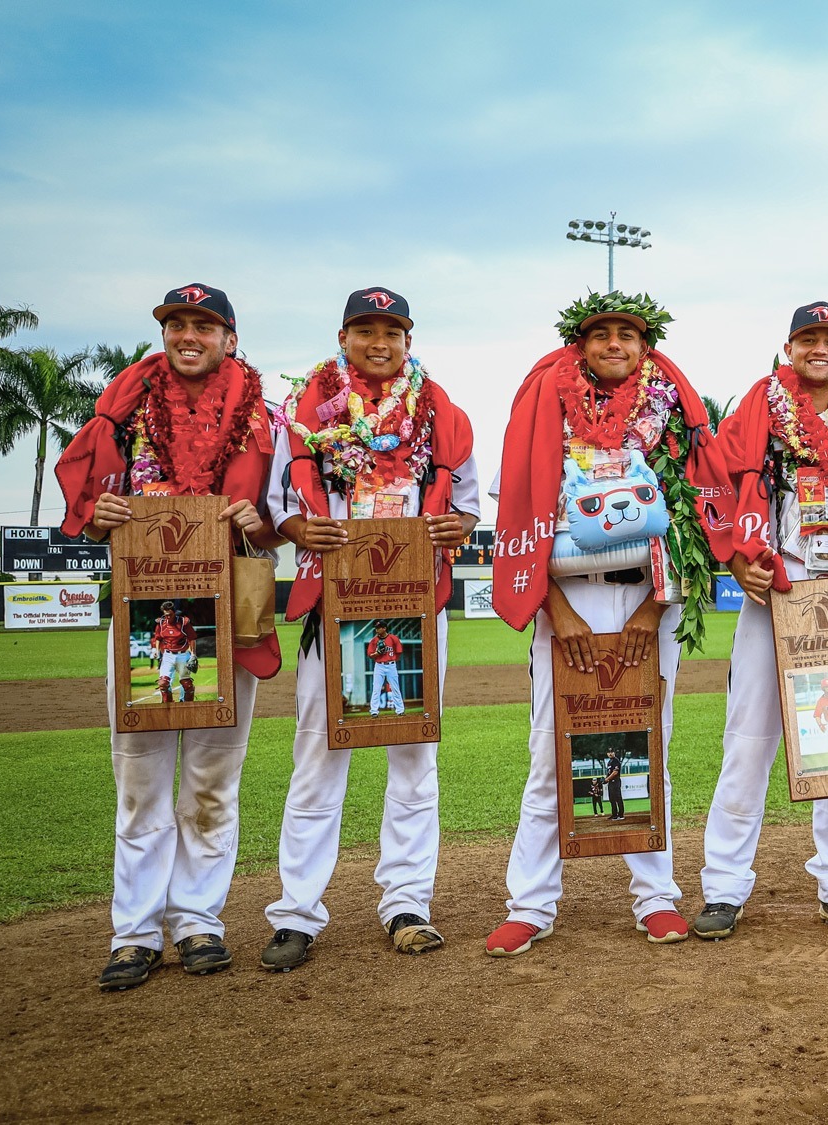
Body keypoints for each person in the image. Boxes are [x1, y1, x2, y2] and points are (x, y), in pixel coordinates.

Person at [56, 283, 284, 990]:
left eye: (204, 325)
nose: (189, 335)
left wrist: (261, 521)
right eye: (177, 323)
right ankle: (134, 931)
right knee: (140, 777)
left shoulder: (267, 417)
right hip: (145, 606)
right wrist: (104, 511)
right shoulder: (124, 408)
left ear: (230, 337)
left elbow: (295, 510)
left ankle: (198, 921)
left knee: (214, 778)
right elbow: (88, 507)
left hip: (232, 606)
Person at [486, 290, 725, 956]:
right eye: (601, 334)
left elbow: (697, 513)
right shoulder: (545, 406)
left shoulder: (669, 412)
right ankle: (530, 904)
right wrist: (555, 614)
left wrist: (656, 607)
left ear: (647, 346)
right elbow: (519, 510)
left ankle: (656, 897)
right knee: (549, 753)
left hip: (646, 596)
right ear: (581, 345)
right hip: (567, 598)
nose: (614, 343)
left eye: (629, 334)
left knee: (650, 746)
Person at [262, 286, 479, 971]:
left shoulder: (440, 409)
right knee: (319, 760)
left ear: (408, 339)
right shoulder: (310, 410)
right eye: (365, 330)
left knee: (415, 760)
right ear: (343, 335)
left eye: (392, 330)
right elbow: (276, 507)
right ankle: (297, 912)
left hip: (417, 603)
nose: (379, 342)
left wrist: (459, 524)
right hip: (336, 602)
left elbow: (470, 502)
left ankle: (407, 901)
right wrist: (302, 527)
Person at [694, 301, 828, 941]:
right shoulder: (760, 402)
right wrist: (737, 560)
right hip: (773, 589)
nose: (820, 349)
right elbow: (713, 480)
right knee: (748, 743)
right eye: (809, 338)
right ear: (789, 345)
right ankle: (723, 888)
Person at [152, 601, 197, 703]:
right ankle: (168, 704)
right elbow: (158, 638)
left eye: (170, 615)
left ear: (174, 612)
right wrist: (157, 651)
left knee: (187, 684)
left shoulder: (183, 622)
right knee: (163, 683)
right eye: (166, 615)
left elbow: (192, 638)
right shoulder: (161, 623)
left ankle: (185, 704)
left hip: (183, 655)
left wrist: (193, 654)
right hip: (168, 655)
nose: (168, 617)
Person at [367, 625, 405, 715]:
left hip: (391, 665)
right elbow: (370, 655)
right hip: (379, 666)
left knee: (395, 688)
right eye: (376, 628)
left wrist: (392, 660)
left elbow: (399, 652)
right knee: (376, 688)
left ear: (384, 628)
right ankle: (374, 711)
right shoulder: (374, 640)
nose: (377, 630)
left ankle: (400, 710)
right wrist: (377, 653)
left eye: (379, 628)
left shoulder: (393, 638)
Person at [605, 750, 625, 820]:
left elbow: (615, 772)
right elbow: (609, 772)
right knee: (612, 799)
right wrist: (606, 779)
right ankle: (614, 814)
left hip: (616, 781)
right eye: (608, 752)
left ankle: (621, 814)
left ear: (614, 753)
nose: (610, 753)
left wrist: (607, 779)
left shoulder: (616, 761)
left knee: (618, 798)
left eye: (611, 752)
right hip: (611, 782)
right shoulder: (609, 762)